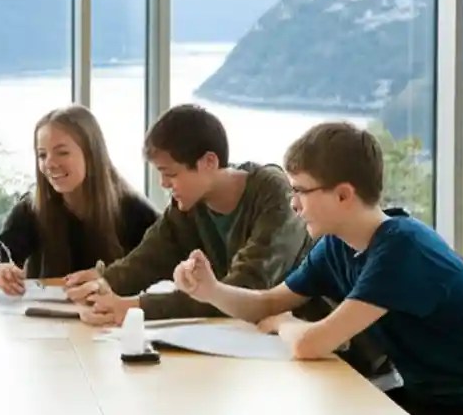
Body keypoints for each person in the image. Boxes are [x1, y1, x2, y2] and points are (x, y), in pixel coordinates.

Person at [173, 121, 463, 415]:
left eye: (300, 191)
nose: (293, 204)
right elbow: (267, 302)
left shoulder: (402, 248)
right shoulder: (337, 246)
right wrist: (211, 290)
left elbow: (310, 343)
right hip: (434, 402)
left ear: (343, 195)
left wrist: (284, 323)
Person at [72, 104, 311, 323]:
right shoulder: (188, 205)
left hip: (304, 334)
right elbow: (145, 261)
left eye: (171, 174)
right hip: (239, 335)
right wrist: (100, 284)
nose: (164, 184)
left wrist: (135, 307)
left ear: (208, 162)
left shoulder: (275, 195)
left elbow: (245, 287)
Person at [0, 105, 157, 298]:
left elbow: (164, 264)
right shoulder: (30, 209)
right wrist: (1, 271)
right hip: (46, 321)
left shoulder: (134, 210)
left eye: (62, 152)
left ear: (91, 155)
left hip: (113, 319)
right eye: (42, 155)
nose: (49, 162)